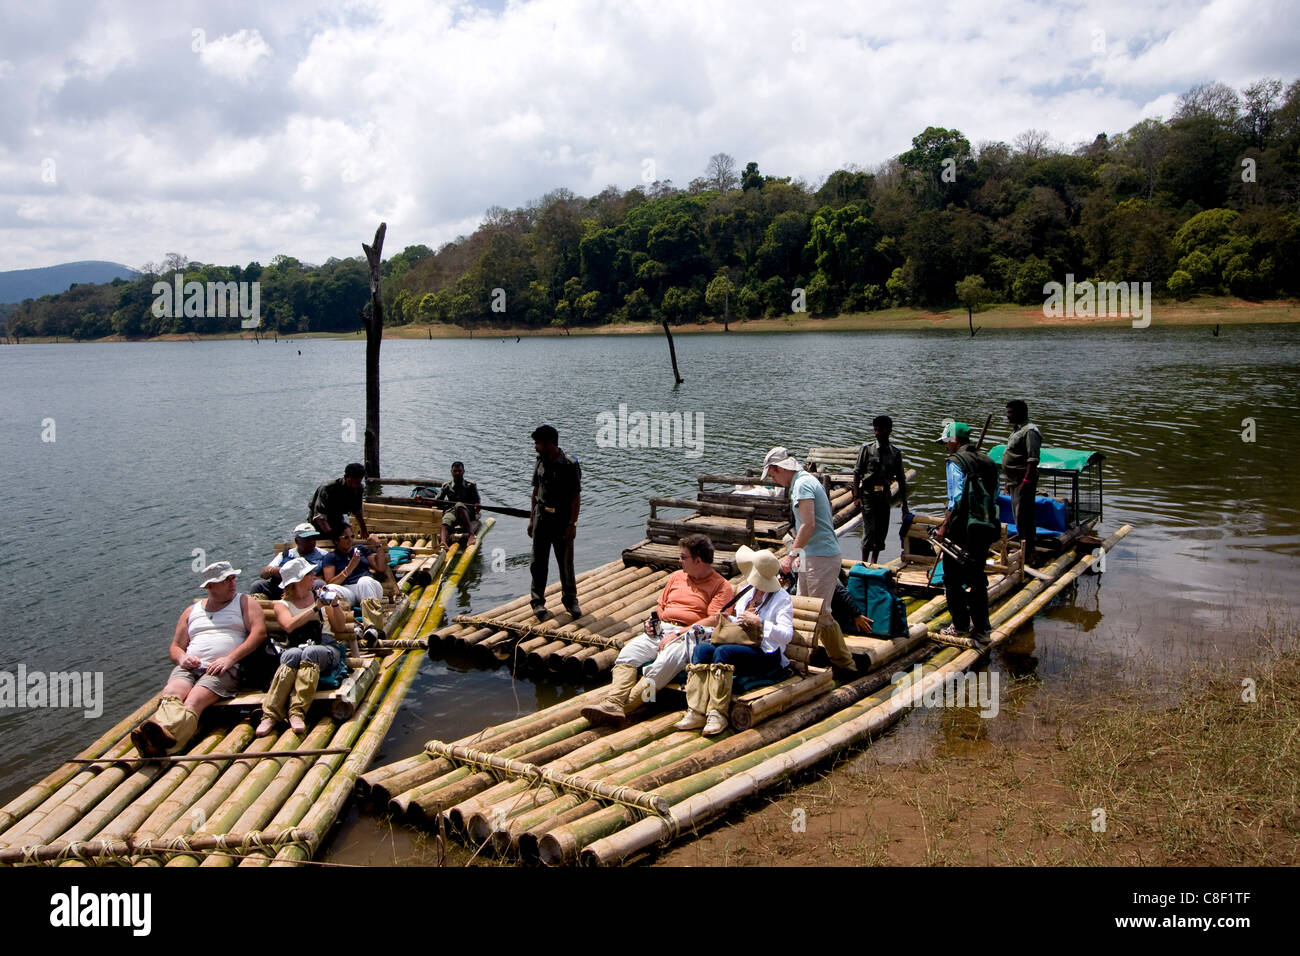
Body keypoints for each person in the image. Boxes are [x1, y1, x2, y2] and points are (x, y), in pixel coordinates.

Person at [581, 534, 734, 727]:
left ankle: (625, 707)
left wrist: (678, 633)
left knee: (661, 667)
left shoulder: (722, 586)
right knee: (628, 654)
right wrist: (652, 621)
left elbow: (714, 620)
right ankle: (614, 701)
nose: (679, 561)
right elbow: (660, 607)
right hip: (663, 628)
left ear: (698, 560)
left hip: (691, 634)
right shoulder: (677, 577)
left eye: (683, 557)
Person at [130, 562, 268, 757]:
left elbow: (259, 633)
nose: (232, 583)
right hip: (191, 666)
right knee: (170, 694)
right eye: (225, 580)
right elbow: (175, 647)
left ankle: (164, 745)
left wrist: (229, 659)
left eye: (232, 578)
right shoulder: (191, 611)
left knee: (194, 700)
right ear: (210, 585)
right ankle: (163, 738)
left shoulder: (244, 602)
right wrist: (182, 658)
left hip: (223, 668)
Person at [677, 547, 793, 736]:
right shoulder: (748, 592)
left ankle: (717, 713)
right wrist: (727, 619)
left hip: (766, 654)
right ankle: (696, 710)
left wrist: (761, 623)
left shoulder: (782, 599)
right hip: (741, 644)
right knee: (702, 650)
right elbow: (738, 623)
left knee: (723, 653)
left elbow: (786, 635)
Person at [760, 446, 858, 674]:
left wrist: (792, 555)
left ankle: (845, 665)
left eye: (773, 474)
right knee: (802, 607)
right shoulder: (799, 483)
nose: (774, 479)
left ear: (779, 468)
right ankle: (803, 659)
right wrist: (798, 559)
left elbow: (808, 524)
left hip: (821, 557)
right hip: (811, 554)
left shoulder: (802, 484)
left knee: (818, 613)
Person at [258, 557, 356, 737]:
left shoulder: (321, 595)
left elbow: (340, 627)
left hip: (325, 647)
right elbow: (288, 626)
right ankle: (270, 714)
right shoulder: (282, 605)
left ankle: (297, 712)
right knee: (291, 655)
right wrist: (315, 609)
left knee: (310, 653)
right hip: (298, 647)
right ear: (296, 581)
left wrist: (333, 605)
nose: (313, 576)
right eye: (308, 574)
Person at [934, 421, 999, 643]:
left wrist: (944, 526)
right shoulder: (989, 461)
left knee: (952, 578)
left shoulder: (955, 462)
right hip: (984, 525)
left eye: (946, 442)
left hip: (961, 528)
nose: (946, 447)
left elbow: (957, 498)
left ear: (955, 441)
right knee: (977, 576)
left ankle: (960, 625)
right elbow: (995, 495)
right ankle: (982, 628)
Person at [528, 424, 581, 619]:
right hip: (542, 518)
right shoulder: (540, 461)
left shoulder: (569, 464)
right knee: (538, 563)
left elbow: (576, 497)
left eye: (537, 442)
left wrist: (572, 524)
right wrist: (532, 520)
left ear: (549, 443)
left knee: (566, 563)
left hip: (562, 520)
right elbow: (535, 492)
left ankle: (570, 600)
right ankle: (537, 602)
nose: (535, 446)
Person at [853, 415, 910, 565]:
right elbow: (857, 473)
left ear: (889, 431)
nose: (877, 433)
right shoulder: (867, 449)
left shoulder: (895, 453)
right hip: (868, 494)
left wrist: (905, 504)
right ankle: (863, 563)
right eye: (875, 430)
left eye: (881, 430)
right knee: (869, 529)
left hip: (884, 495)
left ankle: (875, 562)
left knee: (881, 530)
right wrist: (856, 496)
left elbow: (901, 480)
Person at [1003, 400, 1042, 564]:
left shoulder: (1030, 432)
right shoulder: (1017, 430)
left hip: (1022, 481)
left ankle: (1029, 552)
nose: (1007, 416)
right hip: (1013, 481)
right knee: (1018, 517)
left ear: (1021, 412)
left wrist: (1026, 481)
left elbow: (1032, 460)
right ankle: (1023, 547)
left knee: (1023, 516)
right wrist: (1007, 482)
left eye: (1010, 412)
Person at [250, 523, 330, 599]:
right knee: (258, 585)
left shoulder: (323, 555)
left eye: (313, 538)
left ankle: (312, 609)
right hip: (281, 588)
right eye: (307, 539)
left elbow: (328, 579)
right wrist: (276, 571)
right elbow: (263, 574)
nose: (311, 541)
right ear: (297, 540)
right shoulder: (285, 554)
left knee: (319, 584)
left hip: (306, 589)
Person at [321, 526, 389, 605]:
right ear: (336, 540)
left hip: (369, 587)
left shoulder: (361, 549)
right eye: (346, 537)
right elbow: (330, 583)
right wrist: (349, 568)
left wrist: (378, 545)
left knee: (364, 581)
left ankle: (372, 613)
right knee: (329, 588)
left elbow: (380, 568)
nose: (350, 540)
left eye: (352, 536)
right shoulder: (330, 557)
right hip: (348, 591)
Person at [309, 462, 368, 539]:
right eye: (352, 482)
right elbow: (319, 516)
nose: (354, 486)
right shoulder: (328, 488)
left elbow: (357, 510)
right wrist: (333, 536)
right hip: (319, 521)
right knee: (328, 540)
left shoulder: (358, 489)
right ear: (345, 477)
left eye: (357, 482)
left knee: (348, 536)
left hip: (336, 518)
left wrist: (363, 529)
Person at [436, 461, 481, 549]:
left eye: (459, 471)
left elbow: (477, 501)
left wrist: (477, 506)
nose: (457, 473)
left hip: (467, 512)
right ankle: (443, 542)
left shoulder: (470, 485)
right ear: (451, 472)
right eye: (455, 471)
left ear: (463, 471)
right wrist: (422, 501)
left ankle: (471, 535)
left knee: (459, 505)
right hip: (453, 512)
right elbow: (438, 501)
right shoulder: (446, 486)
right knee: (446, 519)